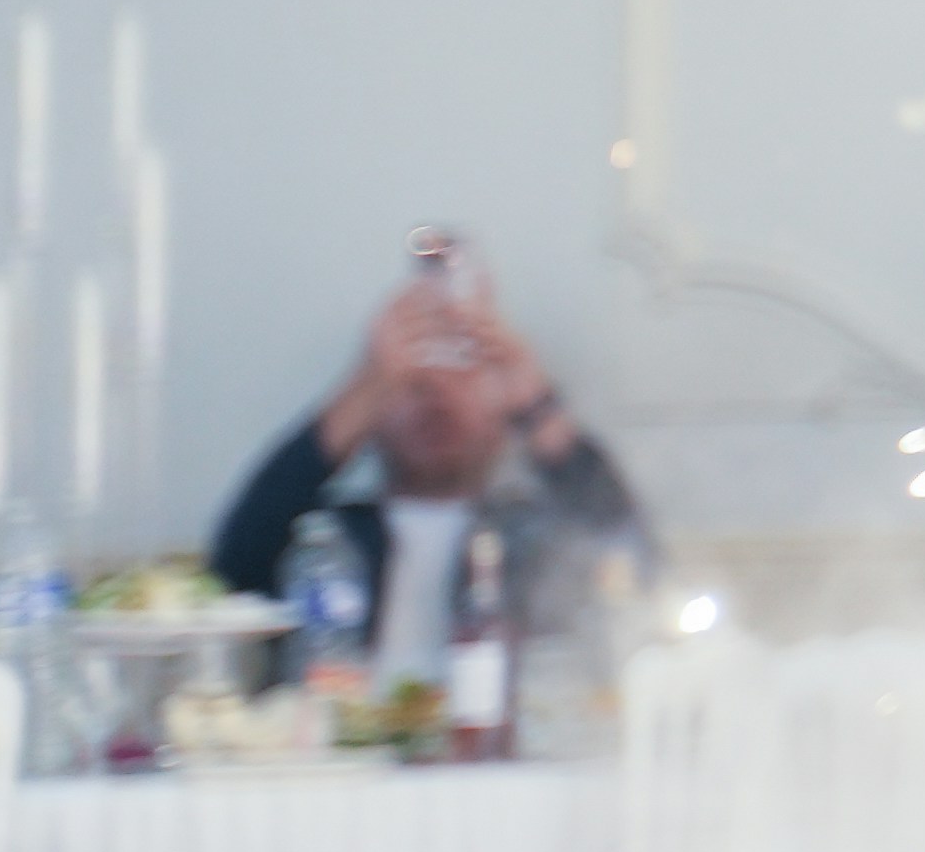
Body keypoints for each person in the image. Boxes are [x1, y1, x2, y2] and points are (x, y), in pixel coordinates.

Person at [200, 240, 651, 687]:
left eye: (464, 371)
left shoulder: (535, 537)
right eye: (412, 382)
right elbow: (233, 571)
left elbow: (634, 563)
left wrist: (536, 404)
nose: (437, 394)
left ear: (506, 409)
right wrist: (367, 384)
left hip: (495, 754)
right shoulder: (325, 542)